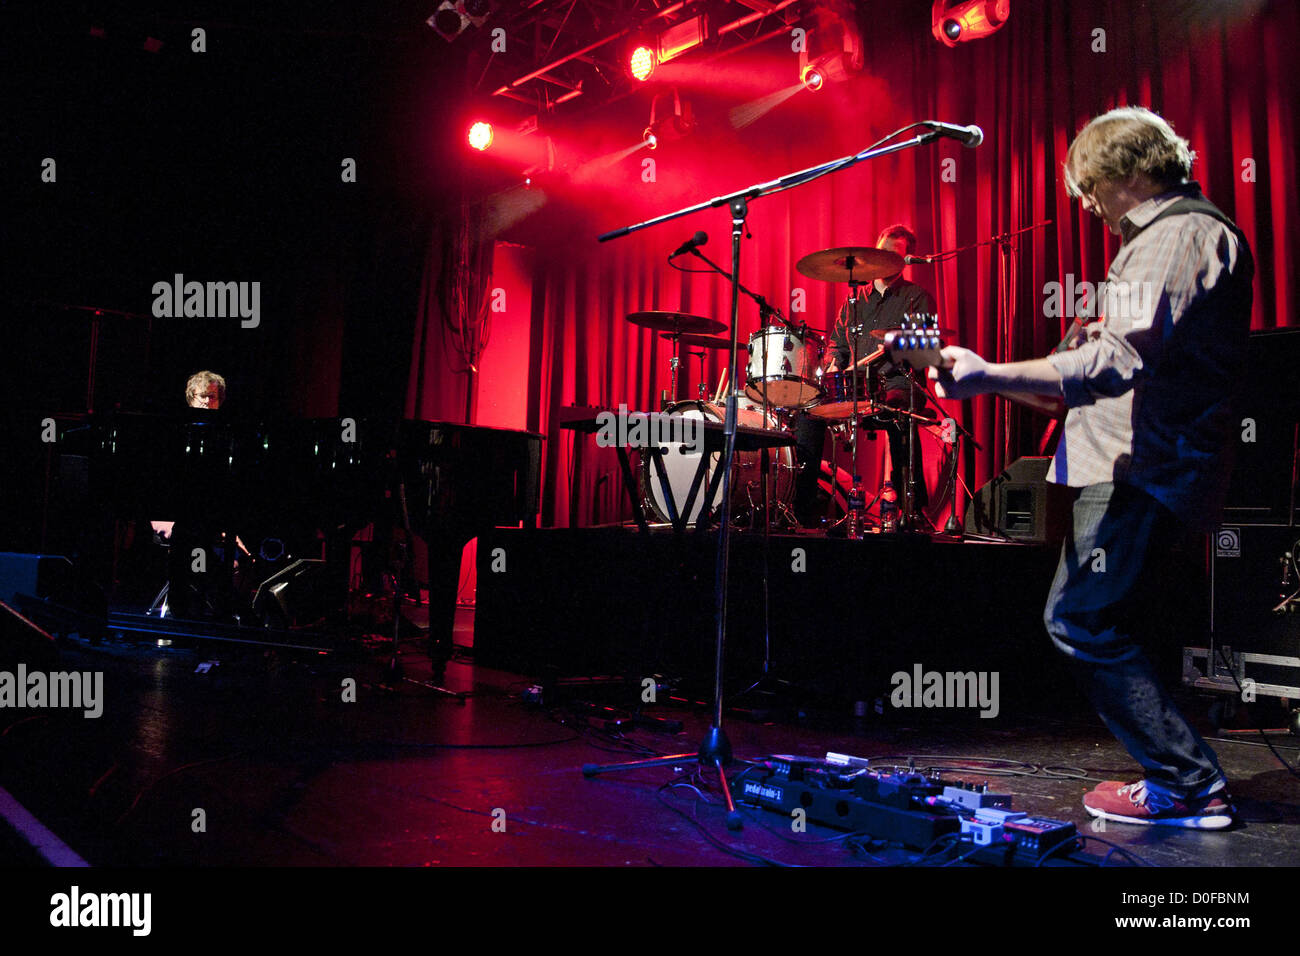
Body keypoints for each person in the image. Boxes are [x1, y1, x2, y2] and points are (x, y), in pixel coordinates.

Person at [930, 106, 1253, 828]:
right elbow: (1082, 383)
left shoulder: (1176, 236)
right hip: (1142, 464)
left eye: (1091, 188)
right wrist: (986, 377)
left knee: (1078, 620)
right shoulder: (1175, 238)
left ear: (1130, 173)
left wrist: (986, 375)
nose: (1087, 206)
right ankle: (1174, 777)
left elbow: (1114, 361)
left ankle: (1190, 785)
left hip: (1143, 470)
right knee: (1112, 621)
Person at [791, 225, 937, 527]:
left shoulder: (917, 297)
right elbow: (837, 345)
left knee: (899, 413)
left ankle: (911, 508)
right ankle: (802, 509)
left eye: (893, 254)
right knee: (808, 413)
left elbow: (927, 351)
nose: (885, 258)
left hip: (896, 385)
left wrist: (899, 347)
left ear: (906, 259)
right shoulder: (854, 301)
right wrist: (832, 363)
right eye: (881, 251)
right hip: (854, 389)